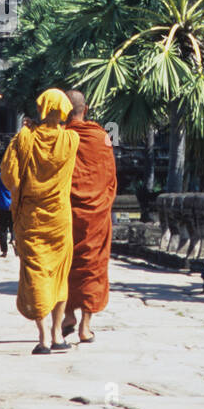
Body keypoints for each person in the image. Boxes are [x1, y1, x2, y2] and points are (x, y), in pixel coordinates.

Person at [1, 88, 79, 355]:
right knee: (59, 276)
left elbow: (9, 178)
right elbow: (64, 130)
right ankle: (58, 335)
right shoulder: (71, 140)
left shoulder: (25, 139)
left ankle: (44, 336)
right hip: (60, 220)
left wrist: (28, 131)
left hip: (32, 219)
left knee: (36, 274)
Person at [61, 90, 117, 344]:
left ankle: (68, 314)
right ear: (87, 109)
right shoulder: (102, 137)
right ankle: (85, 327)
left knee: (66, 264)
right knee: (92, 267)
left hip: (67, 212)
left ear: (63, 111)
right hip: (96, 214)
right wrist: (102, 202)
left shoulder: (60, 138)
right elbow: (110, 178)